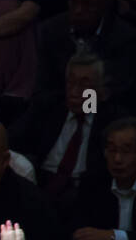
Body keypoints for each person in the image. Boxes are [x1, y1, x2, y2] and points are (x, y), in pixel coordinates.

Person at [11, 52, 119, 215]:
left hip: (84, 194)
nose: (75, 91)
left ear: (101, 90)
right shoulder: (47, 107)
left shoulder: (110, 121)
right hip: (40, 183)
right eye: (71, 82)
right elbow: (11, 139)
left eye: (84, 85)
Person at [35, 0, 136, 103]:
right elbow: (42, 89)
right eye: (74, 1)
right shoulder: (51, 30)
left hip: (103, 117)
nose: (78, 10)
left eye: (87, 4)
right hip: (59, 114)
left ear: (105, 5)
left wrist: (84, 107)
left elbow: (119, 94)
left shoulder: (126, 39)